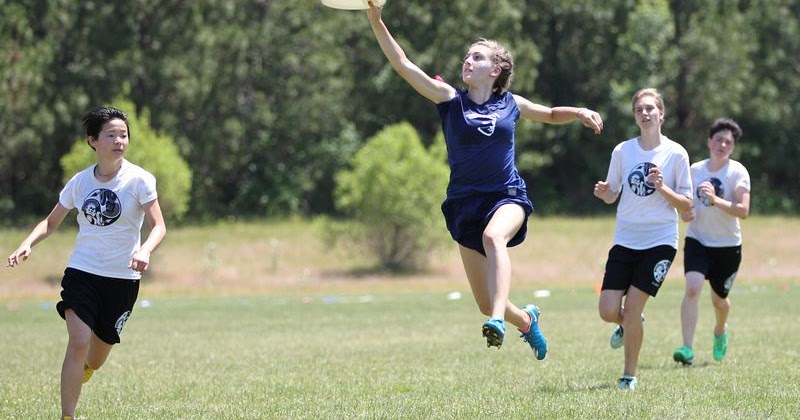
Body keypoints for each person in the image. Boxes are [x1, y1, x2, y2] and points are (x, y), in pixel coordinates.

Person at [366, 2, 604, 358]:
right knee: (484, 301)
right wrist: (376, 20)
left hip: (506, 197)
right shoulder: (449, 100)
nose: (467, 61)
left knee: (494, 238)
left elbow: (552, 114)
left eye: (476, 57)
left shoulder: (512, 103)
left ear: (496, 69)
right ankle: (524, 320)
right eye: (466, 56)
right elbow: (402, 65)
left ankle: (497, 320)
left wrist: (580, 112)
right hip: (464, 203)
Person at [6, 106, 167, 420]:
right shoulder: (80, 183)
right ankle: (68, 416)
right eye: (111, 135)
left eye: (123, 135)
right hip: (83, 272)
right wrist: (27, 243)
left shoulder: (139, 180)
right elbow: (50, 223)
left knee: (96, 356)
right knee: (78, 341)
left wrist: (145, 249)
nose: (119, 140)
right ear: (93, 141)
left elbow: (158, 225)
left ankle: (88, 369)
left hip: (122, 279)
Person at [593, 88, 692, 390]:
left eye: (650, 108)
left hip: (660, 241)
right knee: (609, 311)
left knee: (633, 309)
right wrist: (604, 193)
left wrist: (662, 188)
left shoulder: (676, 154)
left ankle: (628, 375)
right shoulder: (623, 151)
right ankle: (630, 325)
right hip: (625, 239)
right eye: (639, 109)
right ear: (635, 116)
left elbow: (687, 205)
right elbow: (613, 194)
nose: (645, 113)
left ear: (661, 113)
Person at [672, 118, 750, 366]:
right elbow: (684, 206)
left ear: (733, 147)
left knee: (719, 301)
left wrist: (716, 200)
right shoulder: (695, 170)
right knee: (693, 288)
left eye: (728, 141)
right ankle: (687, 348)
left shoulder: (737, 172)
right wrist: (685, 213)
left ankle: (719, 330)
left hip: (728, 246)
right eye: (719, 139)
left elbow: (743, 210)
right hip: (698, 240)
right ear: (709, 141)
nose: (723, 144)